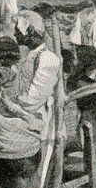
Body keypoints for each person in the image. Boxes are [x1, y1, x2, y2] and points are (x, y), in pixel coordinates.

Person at [5, 10, 62, 145]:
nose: (14, 35)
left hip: (40, 123)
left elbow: (35, 99)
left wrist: (12, 104)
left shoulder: (47, 58)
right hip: (24, 117)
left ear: (29, 31)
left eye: (18, 32)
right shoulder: (29, 54)